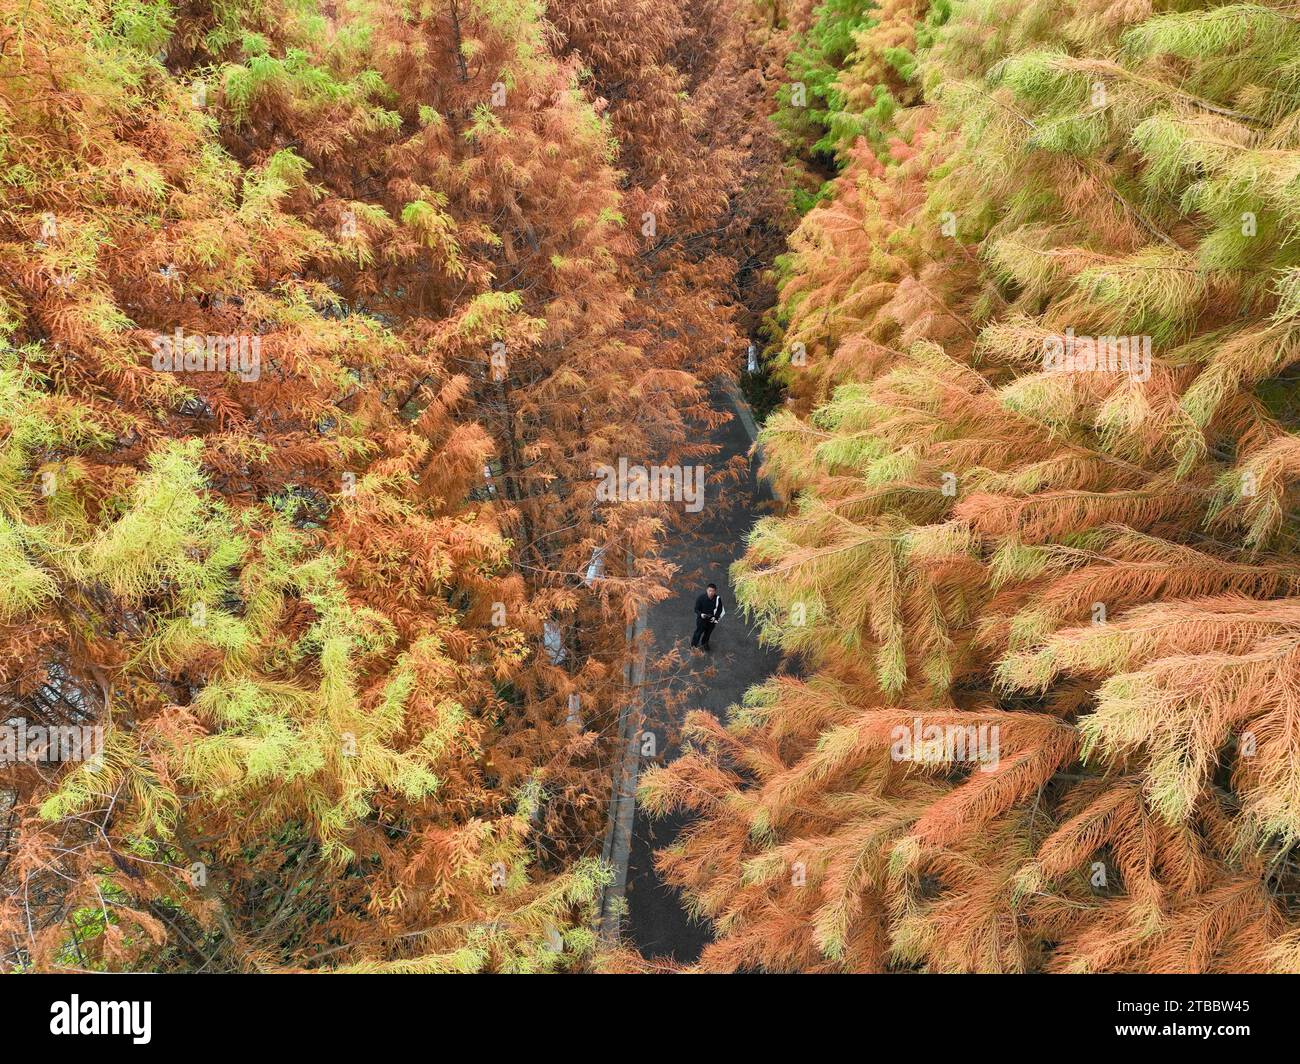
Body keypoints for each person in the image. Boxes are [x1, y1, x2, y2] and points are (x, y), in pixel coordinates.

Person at [691, 583, 725, 651]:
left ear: (715, 591)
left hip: (712, 620)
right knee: (698, 632)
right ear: (707, 590)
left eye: (712, 591)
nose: (711, 592)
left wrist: (715, 617)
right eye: (709, 590)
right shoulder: (701, 598)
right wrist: (701, 614)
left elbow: (720, 609)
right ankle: (694, 645)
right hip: (702, 619)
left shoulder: (718, 599)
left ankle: (704, 643)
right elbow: (696, 609)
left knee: (708, 633)